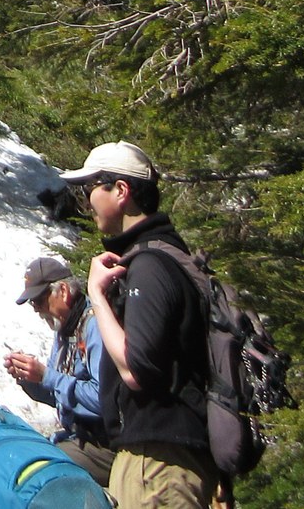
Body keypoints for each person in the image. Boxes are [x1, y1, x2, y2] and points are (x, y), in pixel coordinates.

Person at [61, 141, 216, 509]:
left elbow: (136, 369)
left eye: (89, 189)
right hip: (163, 456)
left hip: (157, 463)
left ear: (121, 191)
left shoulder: (149, 265)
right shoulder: (168, 257)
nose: (86, 202)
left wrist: (97, 295)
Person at [5, 255, 115, 486]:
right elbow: (57, 395)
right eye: (33, 303)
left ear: (63, 291)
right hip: (80, 438)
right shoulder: (64, 330)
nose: (36, 310)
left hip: (106, 444)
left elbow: (103, 400)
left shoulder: (94, 324)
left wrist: (47, 376)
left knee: (43, 466)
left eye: (39, 300)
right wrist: (29, 379)